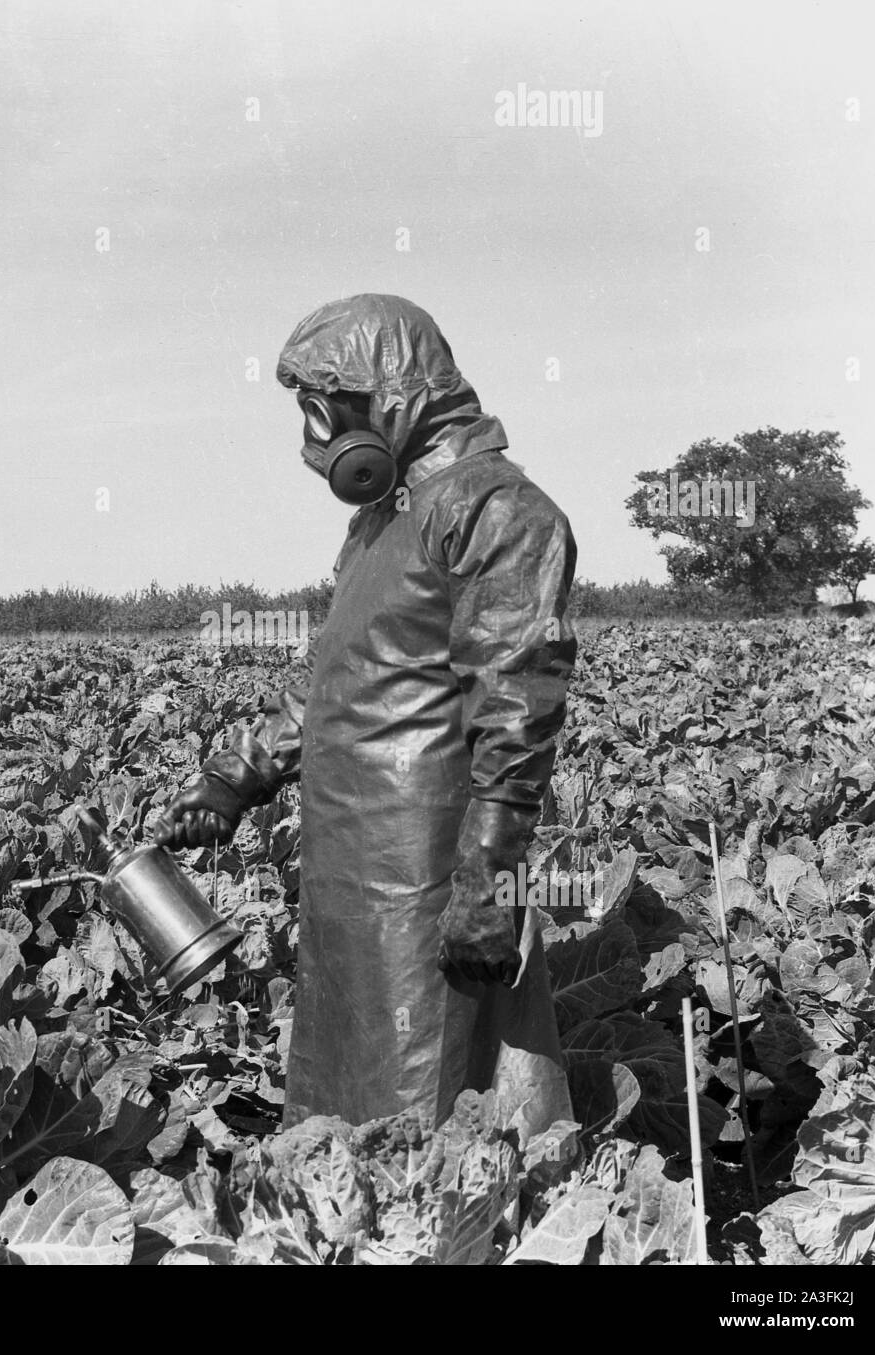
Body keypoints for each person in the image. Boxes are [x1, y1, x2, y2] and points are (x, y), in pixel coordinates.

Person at [154, 294, 576, 1140]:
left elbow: (515, 709)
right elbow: (335, 682)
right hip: (349, 862)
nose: (315, 436)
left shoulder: (495, 510)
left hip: (427, 866)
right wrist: (234, 780)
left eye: (326, 406)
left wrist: (489, 882)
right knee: (345, 1086)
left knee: (427, 1096)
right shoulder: (382, 523)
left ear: (387, 396)